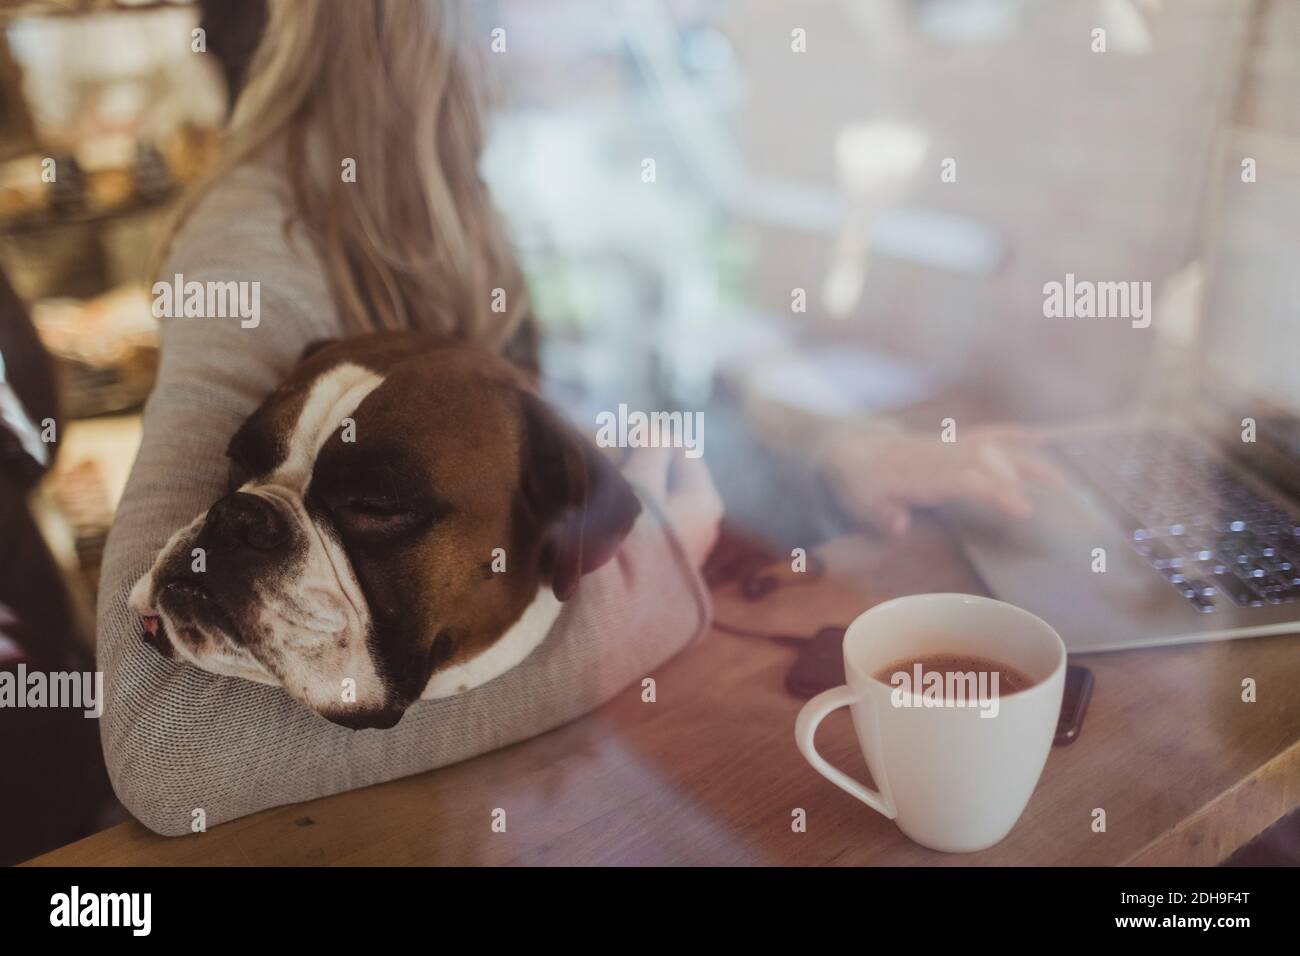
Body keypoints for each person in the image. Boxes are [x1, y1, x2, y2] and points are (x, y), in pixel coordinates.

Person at [98, 0, 720, 836]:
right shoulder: (259, 241)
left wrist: (832, 459)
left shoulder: (503, 183)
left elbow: (621, 420)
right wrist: (650, 594)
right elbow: (170, 752)